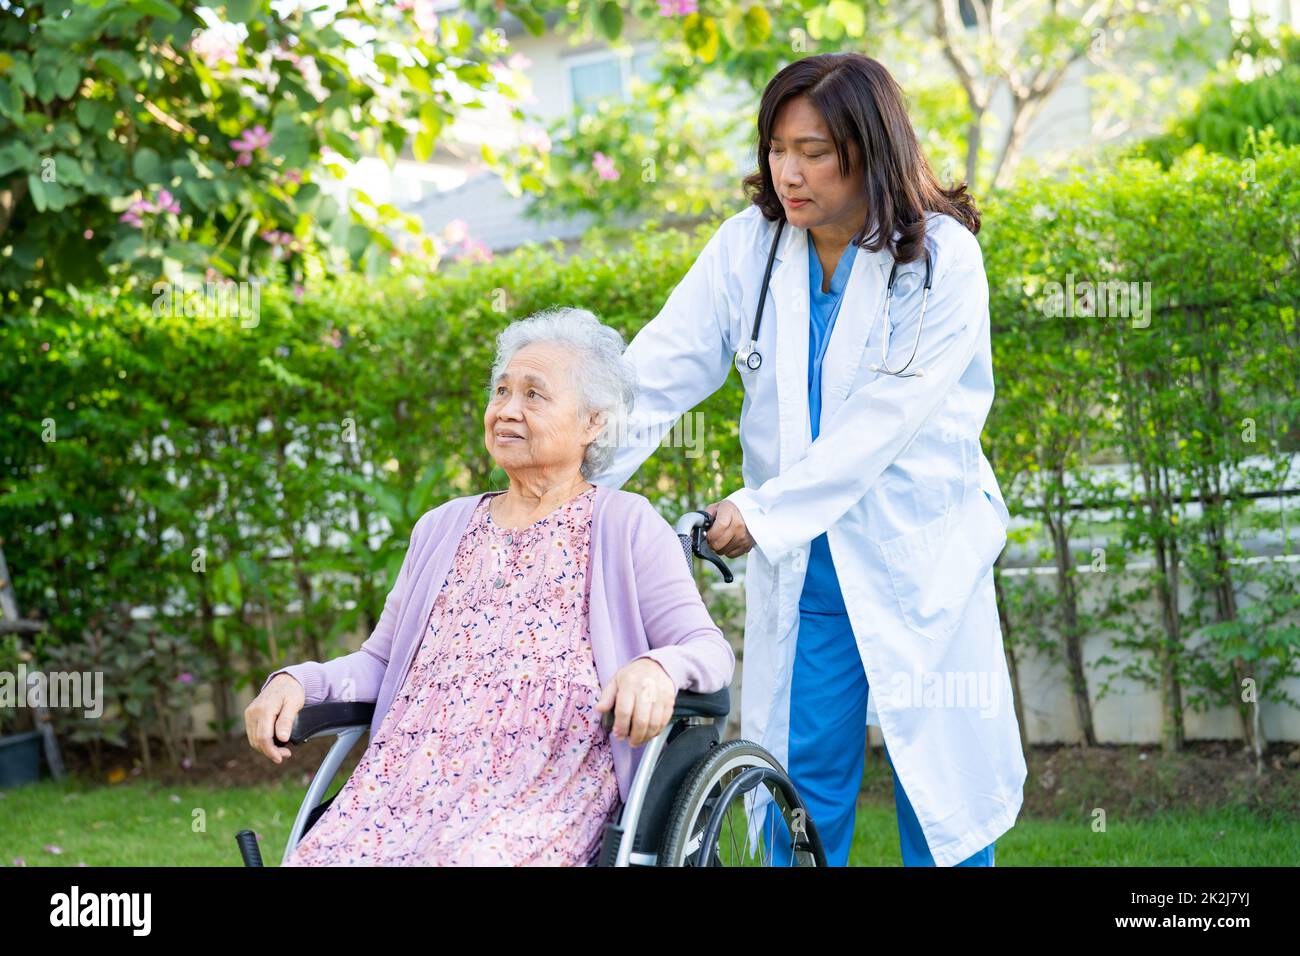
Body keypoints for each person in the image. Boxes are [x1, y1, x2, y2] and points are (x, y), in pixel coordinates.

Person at [588, 53, 1026, 867]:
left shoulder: (941, 263)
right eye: (777, 148)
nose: (789, 172)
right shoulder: (746, 250)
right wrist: (573, 479)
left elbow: (881, 422)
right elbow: (656, 373)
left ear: (873, 147)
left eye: (815, 151)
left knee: (940, 798)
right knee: (800, 794)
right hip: (810, 579)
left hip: (916, 563)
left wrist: (759, 513)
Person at [245, 307, 735, 866]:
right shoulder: (441, 527)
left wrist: (657, 668)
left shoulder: (625, 522)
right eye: (501, 391)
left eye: (534, 395)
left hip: (541, 790)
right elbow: (380, 665)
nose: (506, 410)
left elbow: (706, 648)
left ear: (594, 421)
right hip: (402, 790)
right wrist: (297, 683)